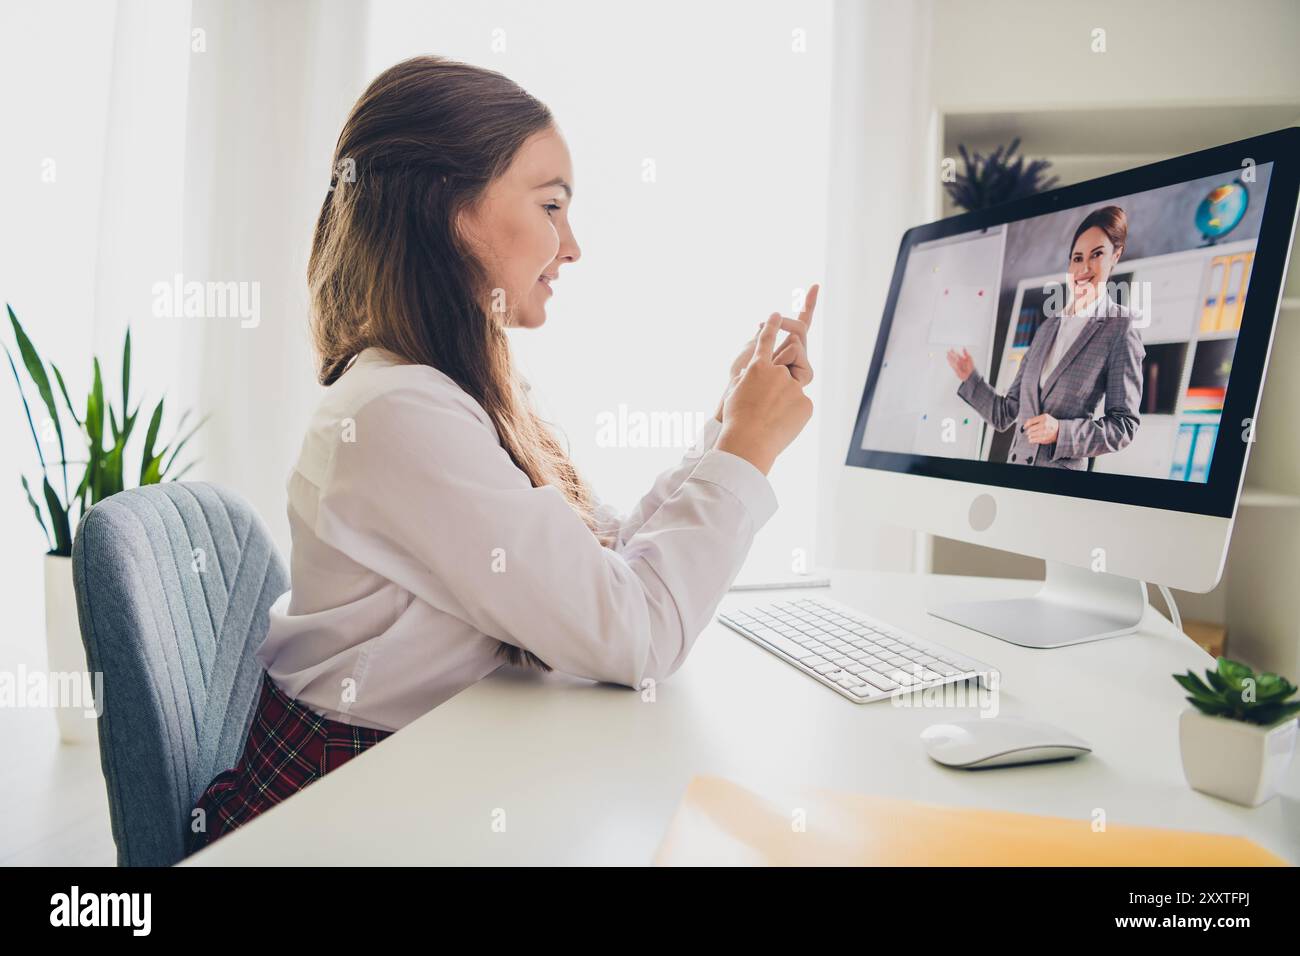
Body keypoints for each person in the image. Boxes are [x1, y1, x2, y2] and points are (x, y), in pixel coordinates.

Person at [185, 55, 818, 853]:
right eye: (552, 205)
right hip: (339, 814)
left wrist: (725, 433)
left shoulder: (441, 392)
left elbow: (604, 558)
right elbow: (640, 638)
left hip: (404, 778)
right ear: (450, 210)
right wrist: (745, 451)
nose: (573, 246)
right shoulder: (398, 413)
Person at [946, 205, 1144, 469]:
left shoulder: (1120, 326)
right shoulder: (1048, 328)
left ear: (1115, 256)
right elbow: (1006, 413)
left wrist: (1061, 432)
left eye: (1097, 254)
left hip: (1059, 486)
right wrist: (970, 378)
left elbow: (1124, 426)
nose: (1084, 267)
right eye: (1077, 258)